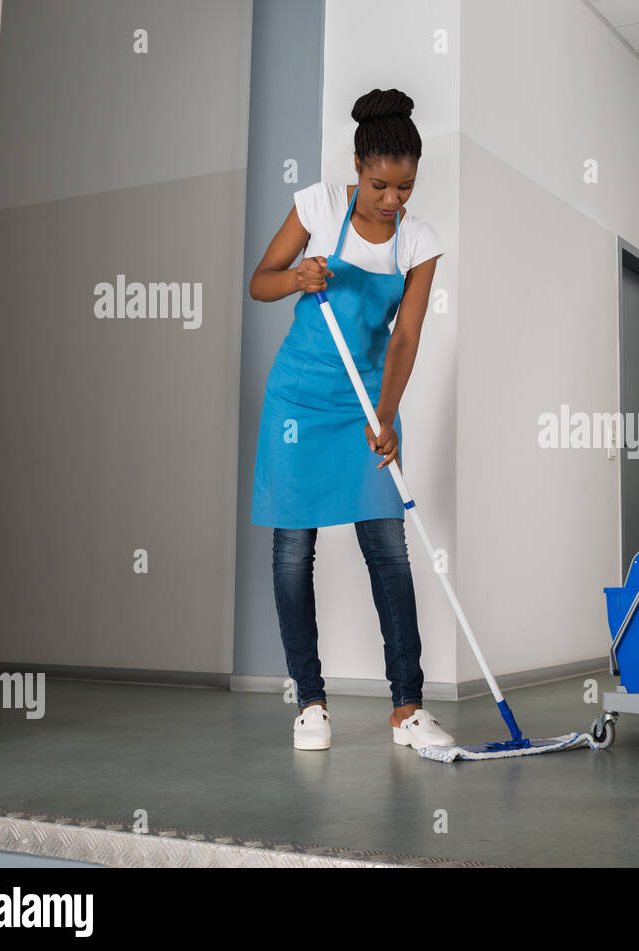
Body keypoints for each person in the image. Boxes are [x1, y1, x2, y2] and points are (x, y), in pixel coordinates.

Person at [248, 88, 453, 752]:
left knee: (388, 548)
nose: (392, 200)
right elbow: (260, 280)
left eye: (405, 187)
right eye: (380, 184)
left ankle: (408, 707)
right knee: (291, 551)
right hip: (297, 402)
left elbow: (405, 337)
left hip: (367, 402)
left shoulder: (418, 241)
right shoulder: (320, 206)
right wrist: (300, 276)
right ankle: (310, 702)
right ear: (358, 165)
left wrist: (387, 416)